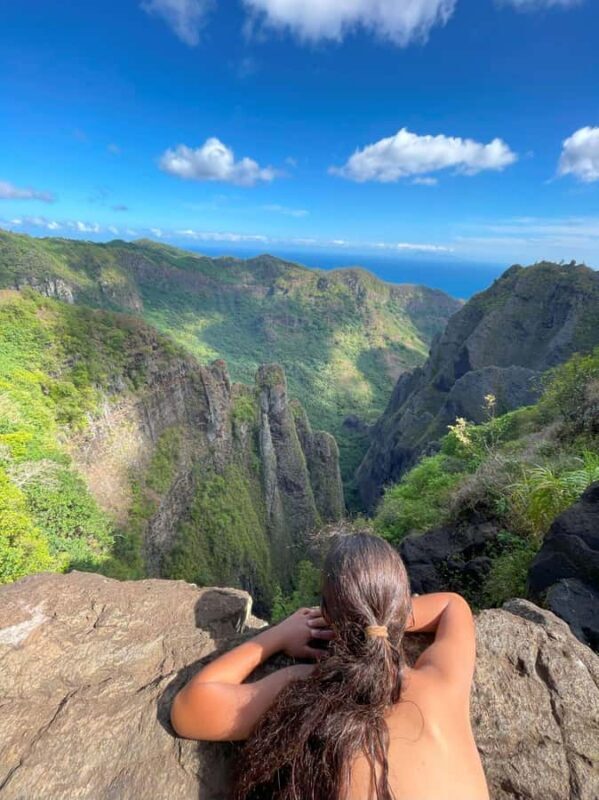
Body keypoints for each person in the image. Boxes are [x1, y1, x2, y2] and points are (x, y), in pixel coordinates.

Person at [171, 532, 490, 800]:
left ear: (326, 613)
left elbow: (188, 710)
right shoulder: (442, 683)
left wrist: (278, 635)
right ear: (402, 607)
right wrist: (379, 619)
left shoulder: (308, 690)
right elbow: (453, 605)